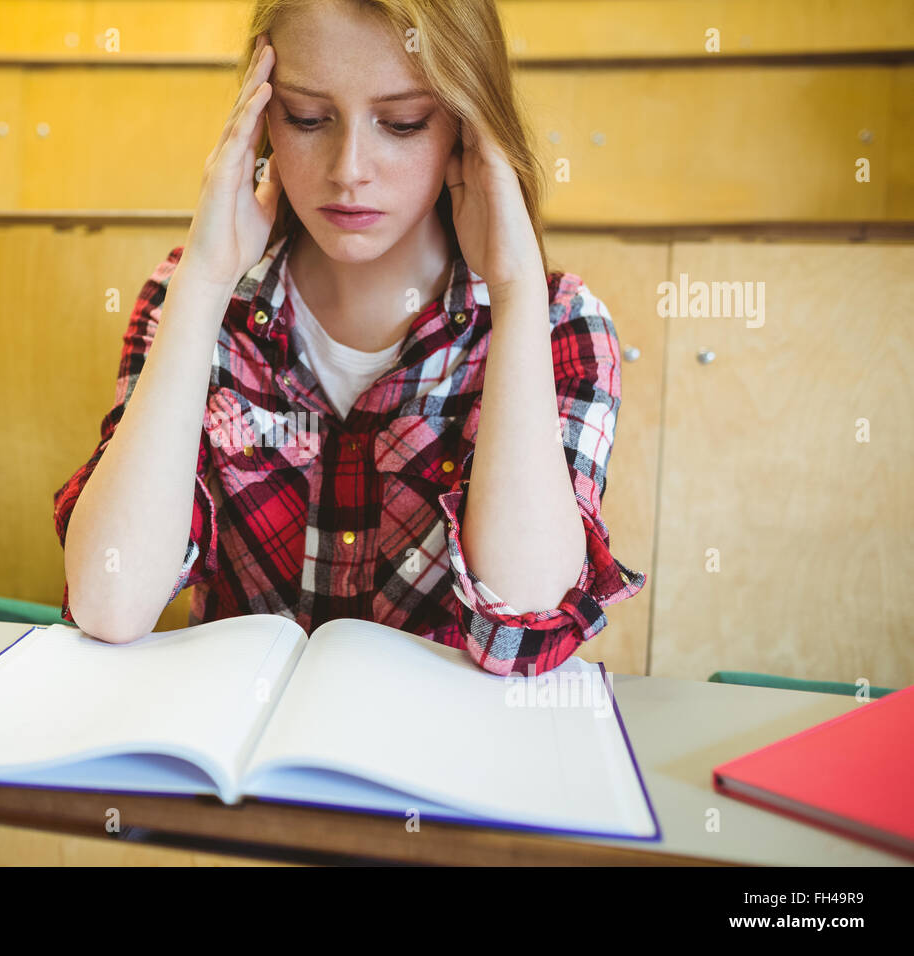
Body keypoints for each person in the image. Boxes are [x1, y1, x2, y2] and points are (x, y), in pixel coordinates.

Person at [53, 0, 646, 676]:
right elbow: (111, 600)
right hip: (242, 771)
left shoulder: (559, 324)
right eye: (307, 118)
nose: (349, 170)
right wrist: (207, 281)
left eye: (402, 123)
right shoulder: (189, 296)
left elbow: (524, 623)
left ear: (465, 128)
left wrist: (513, 296)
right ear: (261, 116)